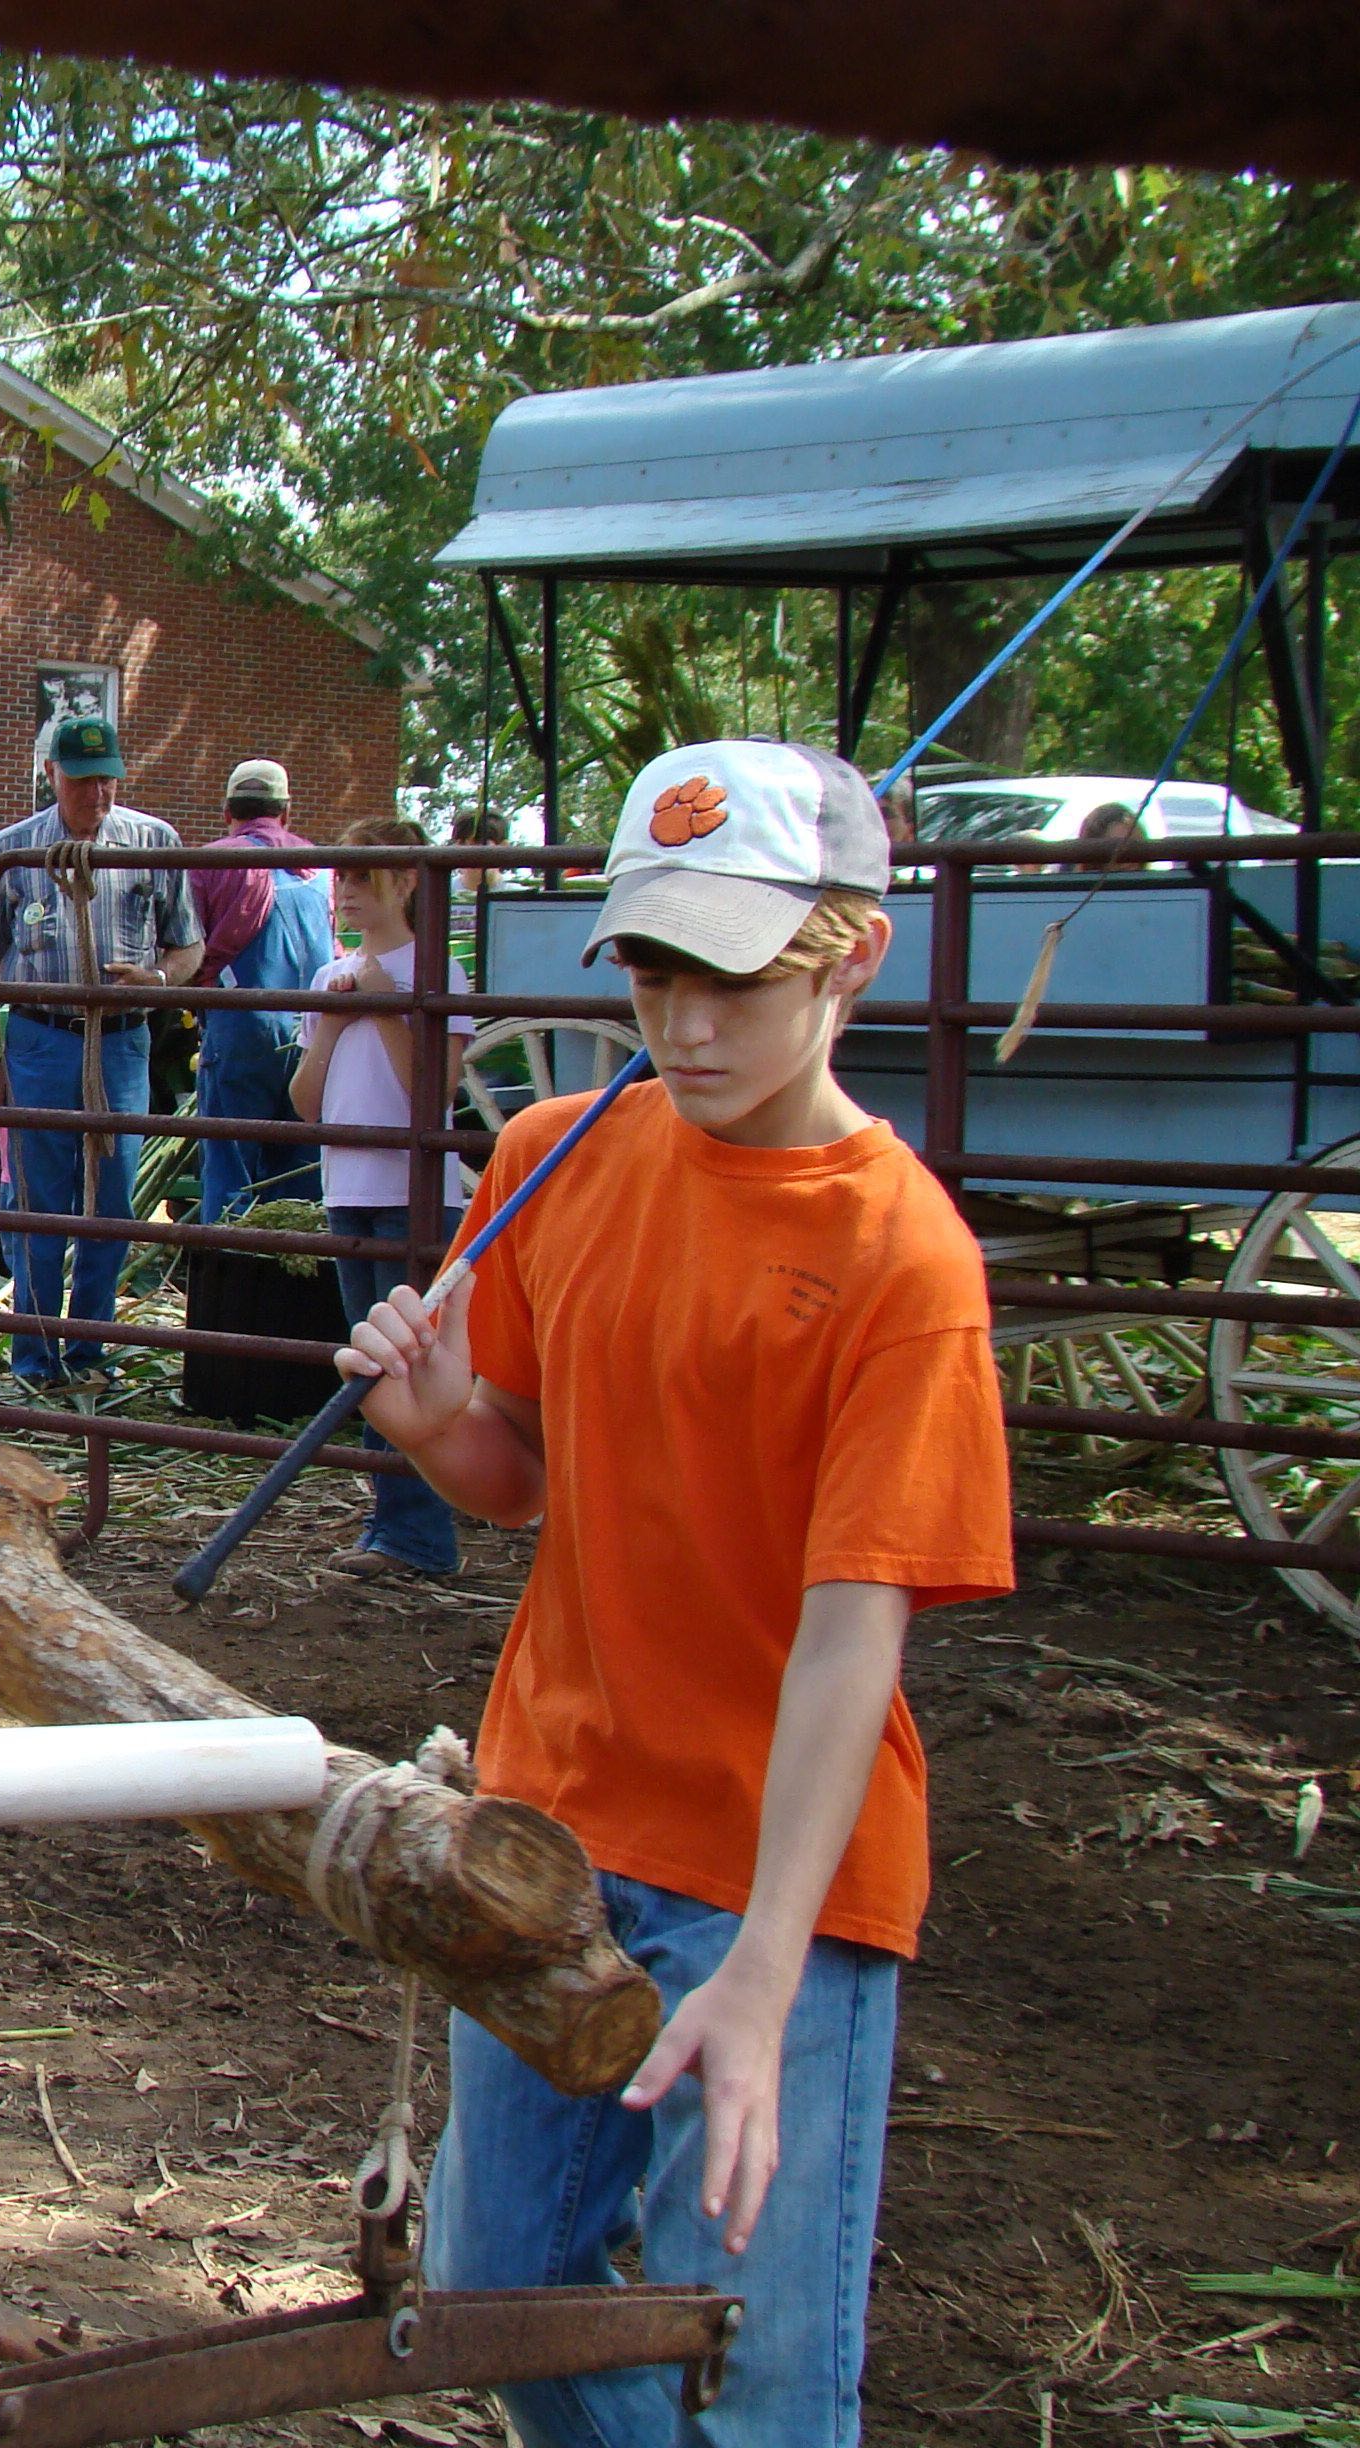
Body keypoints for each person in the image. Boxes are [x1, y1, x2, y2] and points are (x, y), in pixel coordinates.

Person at [339, 739, 1010, 2448]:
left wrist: (766, 1978)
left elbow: (850, 1637)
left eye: (731, 976)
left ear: (850, 951)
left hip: (771, 1878)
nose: (681, 1024)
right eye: (648, 970)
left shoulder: (898, 1256)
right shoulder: (559, 1158)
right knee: (504, 2307)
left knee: (763, 2372)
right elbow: (523, 1472)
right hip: (547, 1826)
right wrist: (430, 1428)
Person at [0, 712, 203, 1389]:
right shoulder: (13, 851)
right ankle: (35, 1356)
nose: (97, 797)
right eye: (82, 783)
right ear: (51, 775)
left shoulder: (153, 842)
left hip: (123, 1040)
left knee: (114, 1202)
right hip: (43, 1035)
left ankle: (90, 1349)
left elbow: (188, 942)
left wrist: (158, 979)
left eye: (107, 782)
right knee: (41, 1200)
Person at [291, 813, 474, 1580]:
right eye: (341, 878)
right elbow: (304, 1102)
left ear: (405, 882)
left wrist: (386, 1005)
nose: (347, 893)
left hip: (413, 1193)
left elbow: (434, 1091)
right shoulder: (329, 977)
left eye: (364, 878)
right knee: (370, 1360)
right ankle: (393, 1525)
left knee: (406, 1362)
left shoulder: (436, 975)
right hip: (349, 1188)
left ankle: (417, 1534)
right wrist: (337, 1020)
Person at [190, 758, 333, 1224]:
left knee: (232, 1170)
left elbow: (187, 947)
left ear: (227, 810)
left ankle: (228, 1283)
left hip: (239, 1029)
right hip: (312, 1034)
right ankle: (293, 1285)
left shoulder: (213, 862)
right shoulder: (323, 869)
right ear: (285, 813)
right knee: (300, 1180)